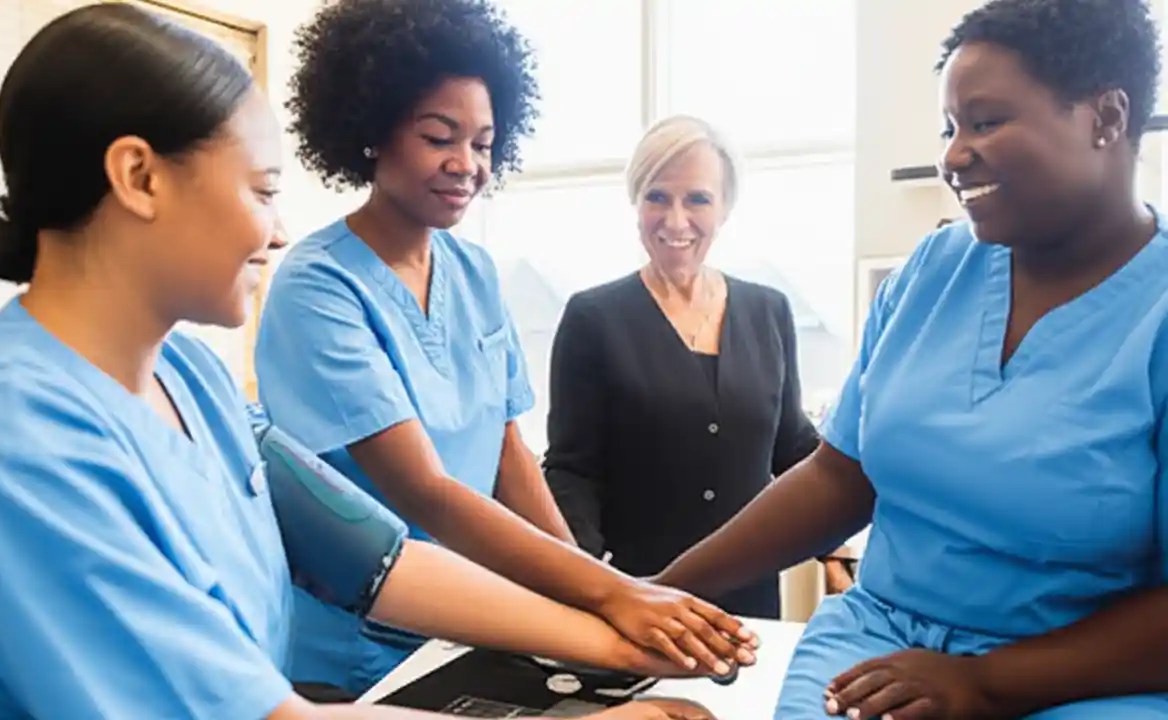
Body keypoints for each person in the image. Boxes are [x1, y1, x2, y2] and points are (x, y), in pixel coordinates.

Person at [0, 5, 722, 719]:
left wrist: (620, 624)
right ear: (138, 177)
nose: (278, 231)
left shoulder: (193, 378)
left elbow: (375, 558)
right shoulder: (5, 453)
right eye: (261, 190)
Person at [655, 0, 1168, 717]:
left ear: (1106, 120)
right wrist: (660, 593)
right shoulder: (933, 270)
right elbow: (841, 475)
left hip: (1088, 677)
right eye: (950, 128)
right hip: (879, 640)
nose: (955, 154)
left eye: (985, 123)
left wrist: (985, 682)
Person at [258, 0, 754, 696]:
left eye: (485, 144)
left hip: (477, 622)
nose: (467, 164)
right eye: (440, 137)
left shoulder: (473, 272)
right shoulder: (317, 287)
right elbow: (425, 490)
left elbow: (508, 454)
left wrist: (594, 584)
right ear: (372, 131)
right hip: (354, 651)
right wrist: (608, 596)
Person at [542, 116, 819, 620]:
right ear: (636, 203)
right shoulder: (593, 317)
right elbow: (572, 469)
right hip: (641, 599)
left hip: (752, 603)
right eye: (656, 197)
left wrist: (837, 546)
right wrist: (584, 582)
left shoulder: (768, 311)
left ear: (725, 208)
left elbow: (794, 447)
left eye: (697, 199)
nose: (675, 220)